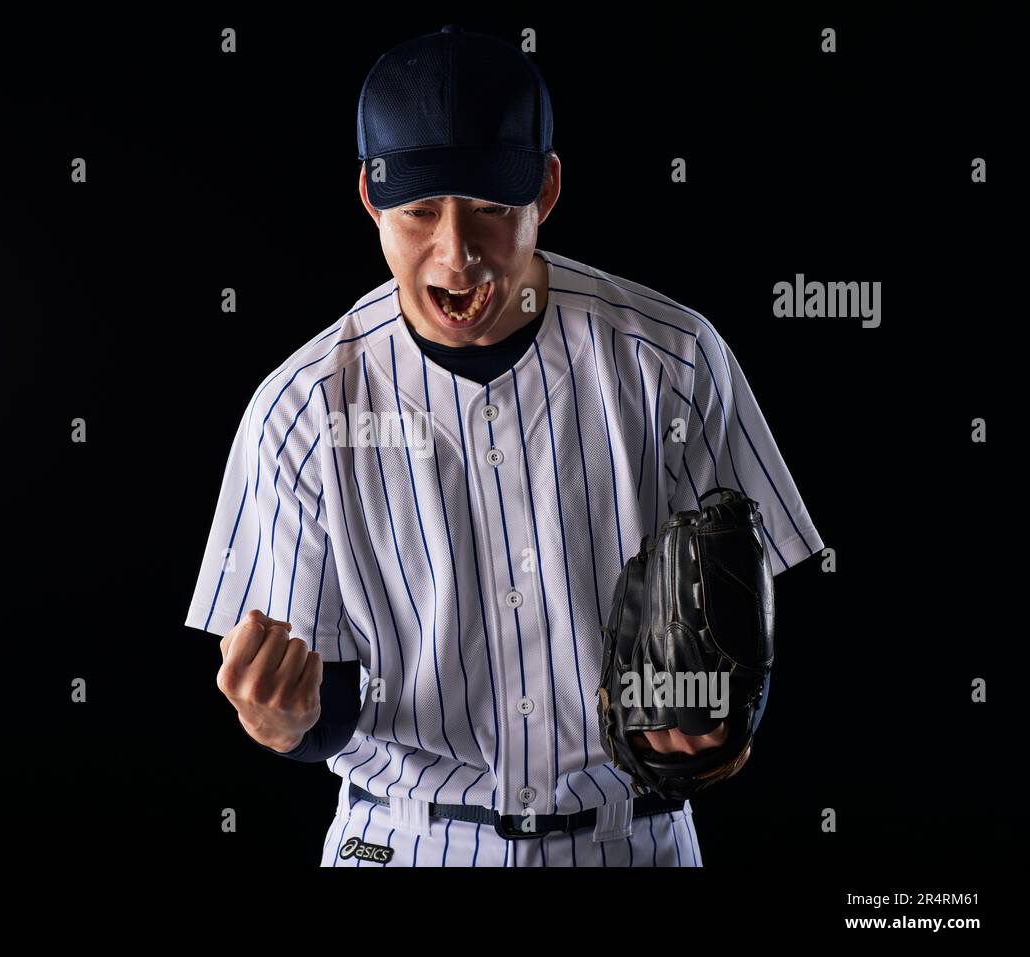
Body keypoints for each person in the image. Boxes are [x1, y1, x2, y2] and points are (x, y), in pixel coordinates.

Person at [185, 25, 822, 866]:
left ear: (546, 190)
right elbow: (324, 695)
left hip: (630, 842)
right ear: (372, 200)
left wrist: (707, 722)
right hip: (403, 841)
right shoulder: (301, 409)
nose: (457, 251)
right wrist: (290, 721)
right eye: (419, 211)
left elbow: (744, 627)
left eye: (491, 206)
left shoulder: (672, 359)